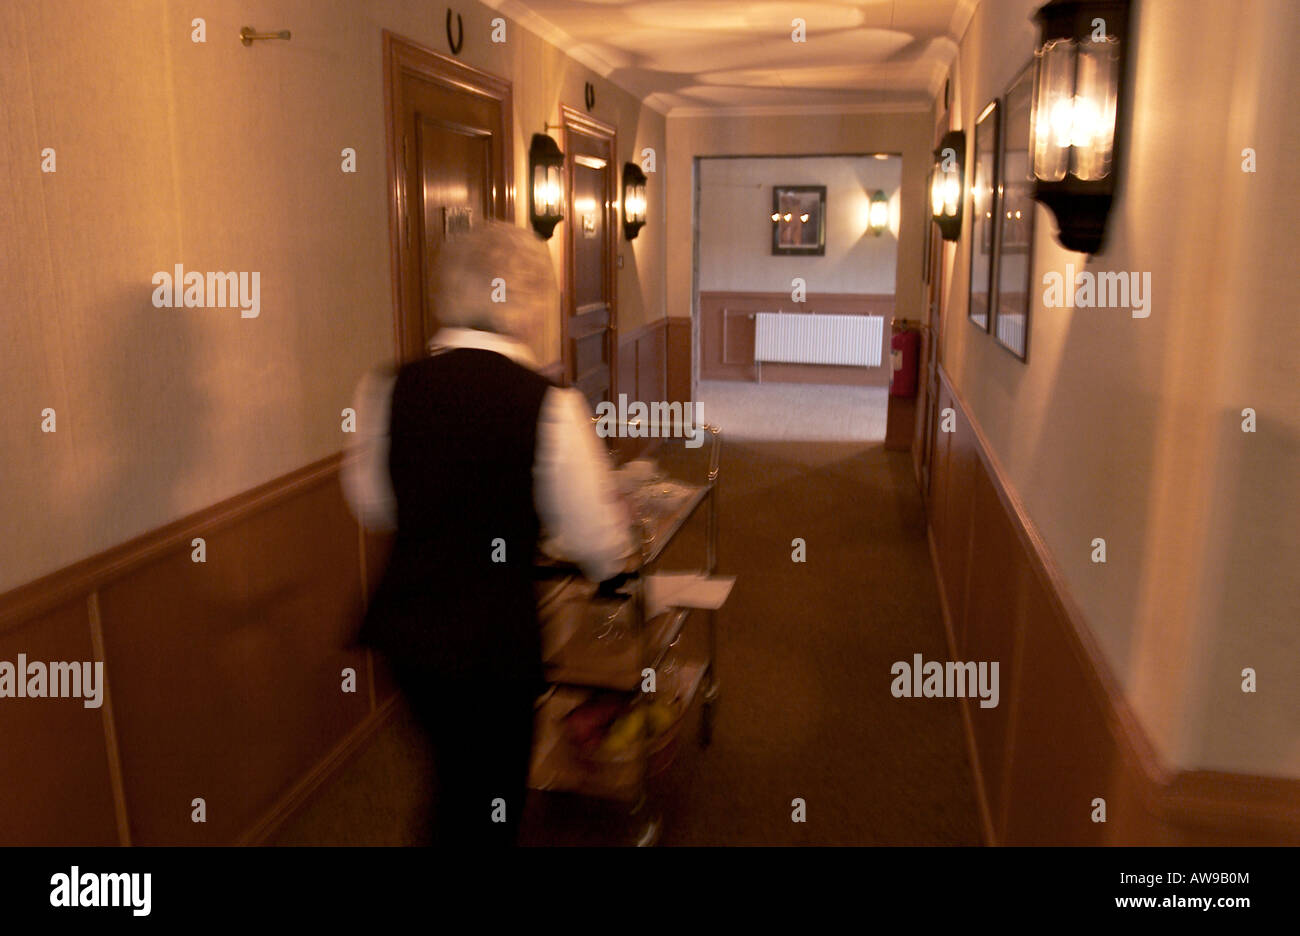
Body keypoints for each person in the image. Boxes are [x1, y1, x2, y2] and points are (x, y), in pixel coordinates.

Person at [341, 220, 634, 845]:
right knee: (491, 797)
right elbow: (599, 542)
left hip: (409, 639)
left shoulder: (387, 387)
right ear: (529, 305)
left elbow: (373, 505)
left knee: (453, 783)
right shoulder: (550, 405)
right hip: (492, 646)